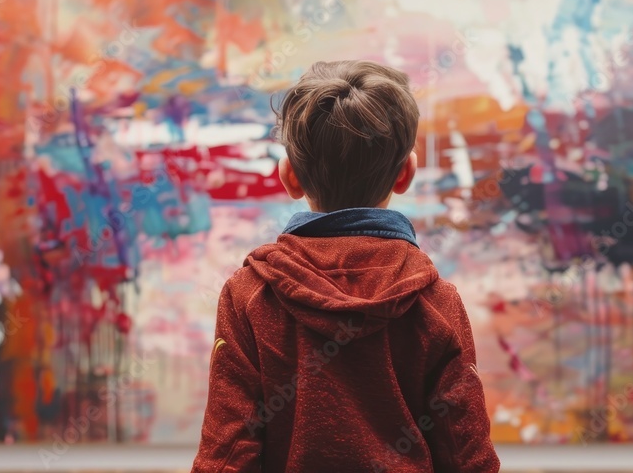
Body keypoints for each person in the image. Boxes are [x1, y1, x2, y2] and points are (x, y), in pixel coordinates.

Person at [192, 60, 499, 472]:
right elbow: (468, 459)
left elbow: (226, 458)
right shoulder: (437, 302)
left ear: (289, 176)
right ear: (405, 173)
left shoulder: (249, 295)